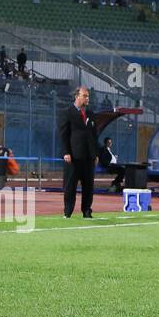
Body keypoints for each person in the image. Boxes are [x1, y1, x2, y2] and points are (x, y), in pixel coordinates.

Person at [58, 86, 99, 218]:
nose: (87, 98)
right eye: (85, 96)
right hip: (74, 156)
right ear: (77, 96)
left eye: (88, 96)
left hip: (89, 157)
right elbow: (63, 134)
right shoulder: (67, 112)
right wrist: (66, 152)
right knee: (70, 186)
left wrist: (96, 154)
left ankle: (87, 212)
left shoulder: (91, 114)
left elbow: (94, 136)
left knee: (88, 186)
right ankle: (68, 212)